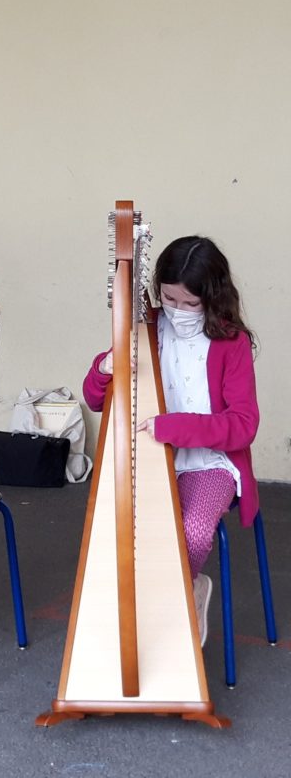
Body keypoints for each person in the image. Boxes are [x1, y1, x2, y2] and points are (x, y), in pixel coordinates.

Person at [82, 235, 259, 646]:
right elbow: (95, 400)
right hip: (151, 456)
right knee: (122, 530)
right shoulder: (147, 330)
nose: (178, 311)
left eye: (190, 303)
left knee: (191, 532)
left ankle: (182, 595)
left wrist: (175, 426)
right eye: (169, 299)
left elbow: (243, 425)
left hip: (210, 462)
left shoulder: (231, 342)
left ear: (212, 298)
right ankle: (151, 611)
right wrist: (104, 368)